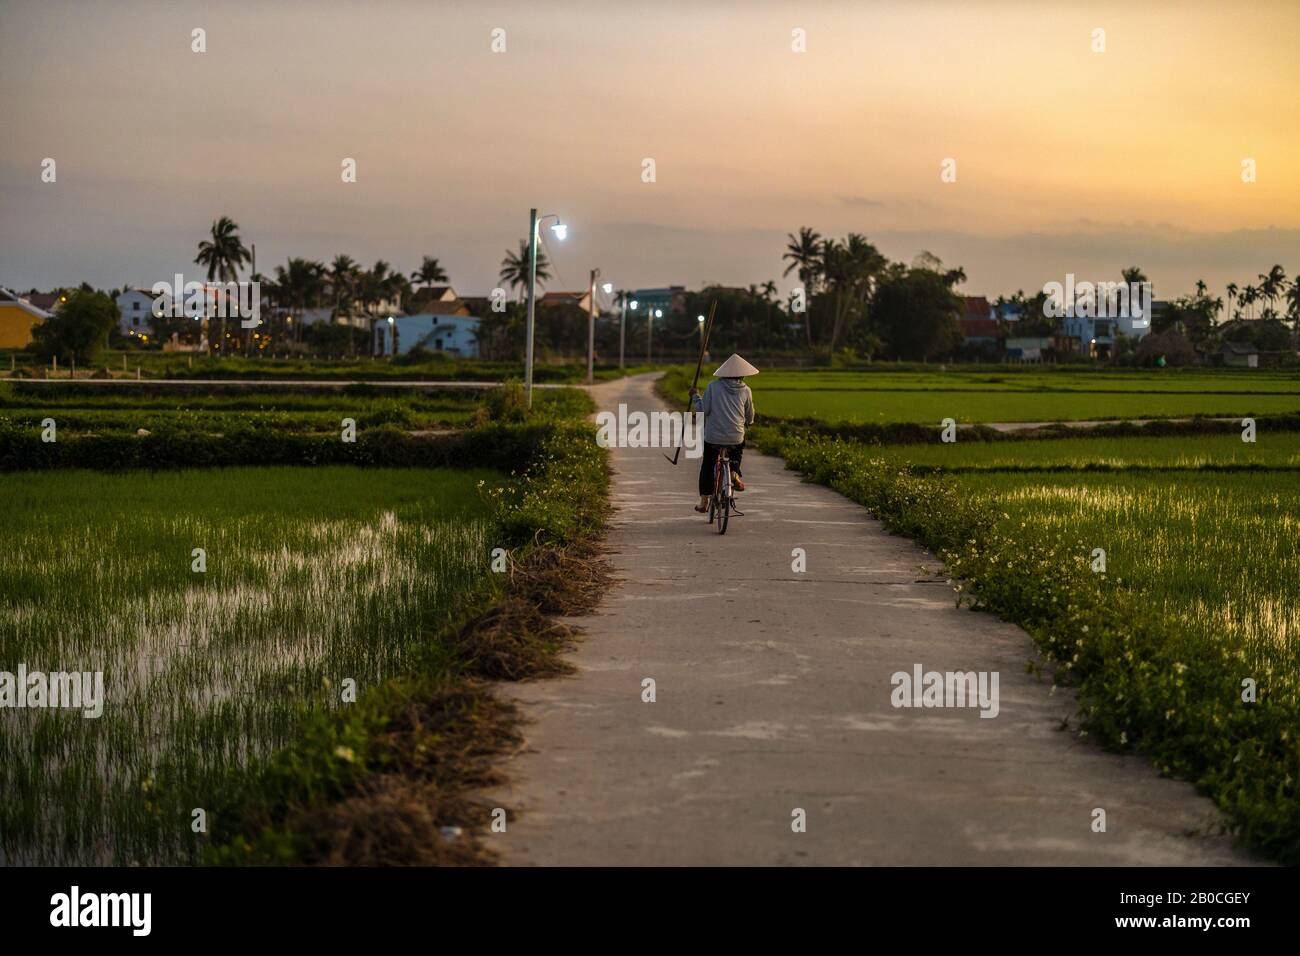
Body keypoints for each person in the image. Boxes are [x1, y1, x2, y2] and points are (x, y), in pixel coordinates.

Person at [689, 354, 758, 513]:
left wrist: (695, 396)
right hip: (735, 436)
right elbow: (750, 416)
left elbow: (702, 410)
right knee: (737, 449)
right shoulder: (746, 390)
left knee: (708, 464)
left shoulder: (713, 387)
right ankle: (734, 474)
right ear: (742, 374)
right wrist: (749, 422)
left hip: (713, 436)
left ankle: (704, 501)